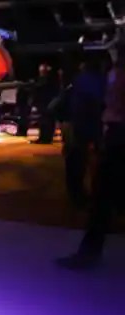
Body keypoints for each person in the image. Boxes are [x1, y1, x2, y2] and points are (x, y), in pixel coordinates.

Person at [57, 46, 125, 270]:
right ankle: (89, 251)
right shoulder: (107, 76)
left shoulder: (106, 76)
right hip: (109, 132)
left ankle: (89, 253)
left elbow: (107, 103)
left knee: (103, 194)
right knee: (103, 193)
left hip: (115, 133)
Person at [61, 58, 107, 207]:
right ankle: (92, 195)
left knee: (76, 160)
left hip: (77, 123)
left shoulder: (78, 81)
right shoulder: (99, 80)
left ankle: (77, 195)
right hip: (91, 123)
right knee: (93, 160)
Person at [32, 61, 60, 144]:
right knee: (43, 121)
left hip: (47, 102)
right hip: (43, 103)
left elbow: (45, 90)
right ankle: (43, 137)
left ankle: (46, 138)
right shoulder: (43, 79)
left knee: (47, 121)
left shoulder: (50, 80)